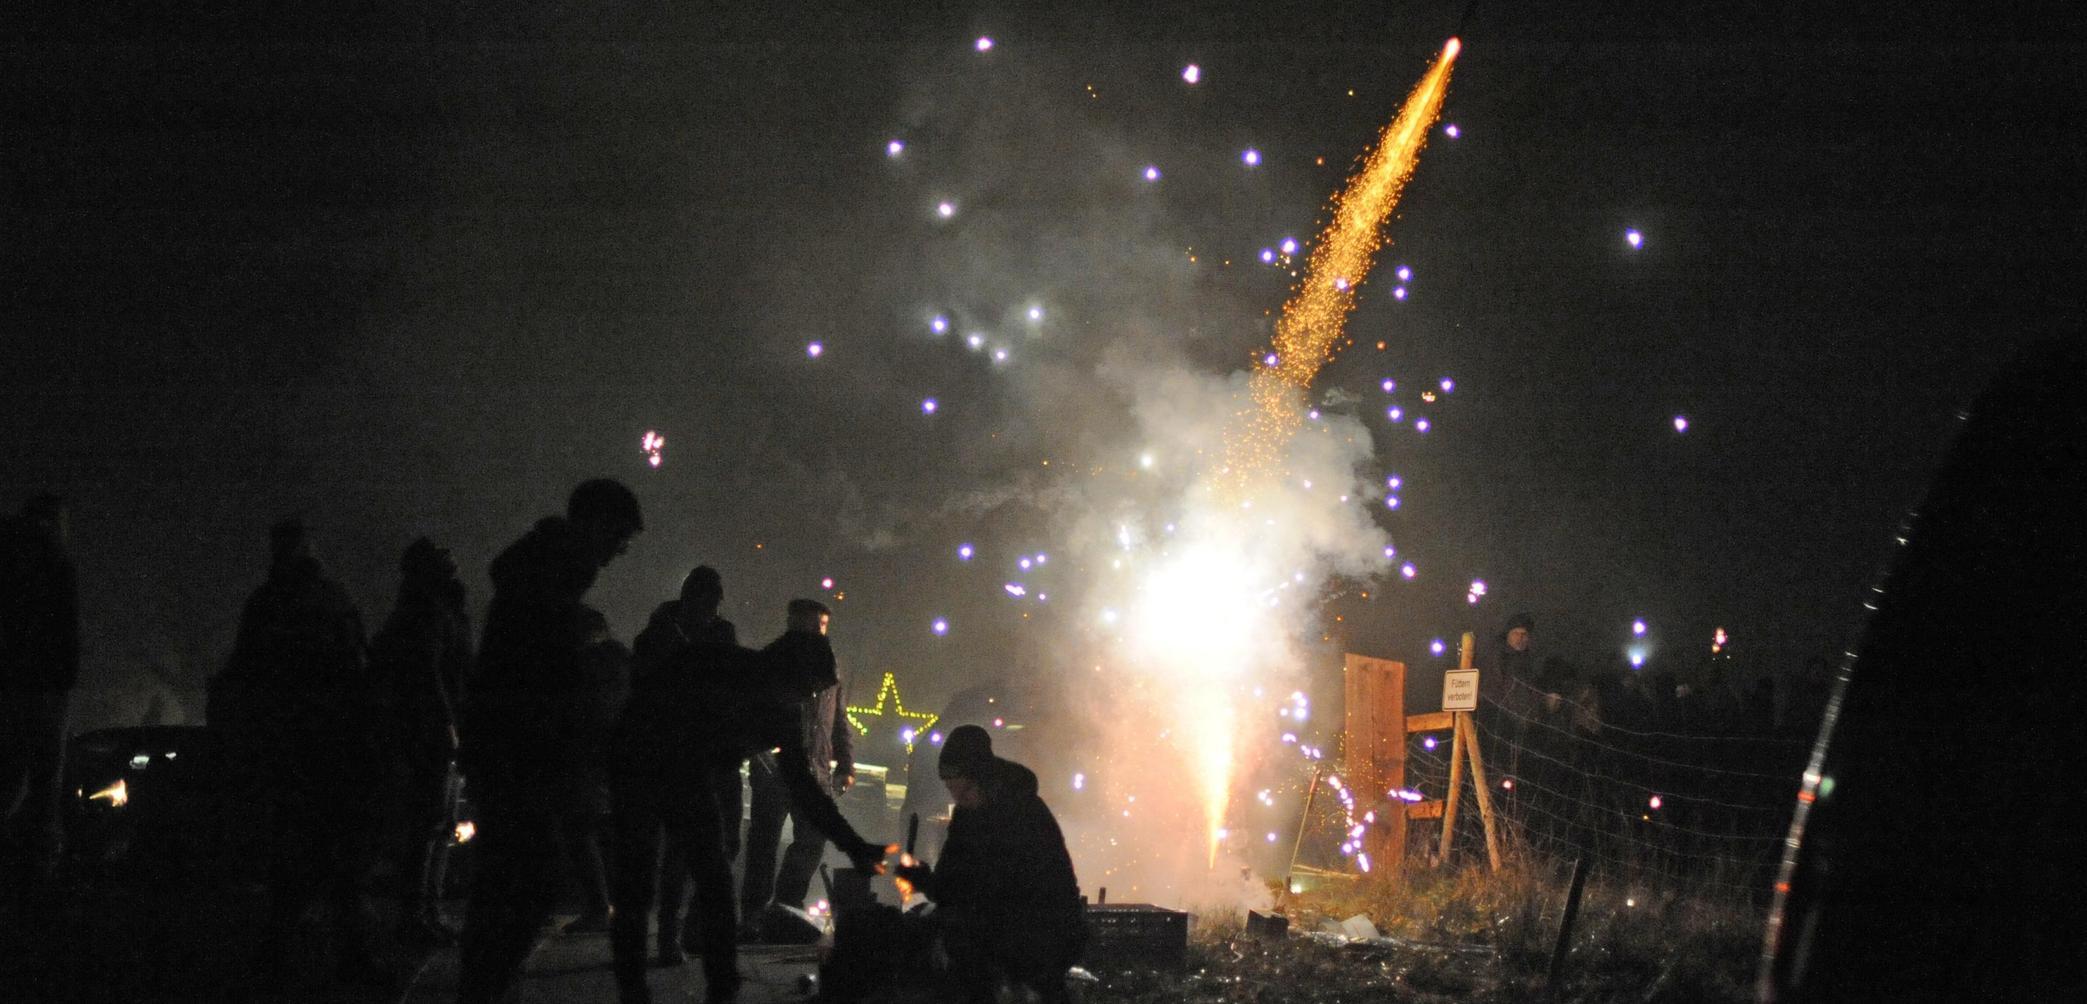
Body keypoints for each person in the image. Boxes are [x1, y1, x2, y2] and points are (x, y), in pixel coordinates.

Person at [608, 595, 886, 1004]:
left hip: (694, 773)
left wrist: (854, 845)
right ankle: (635, 983)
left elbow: (806, 789)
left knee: (714, 876)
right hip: (645, 760)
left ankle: (721, 985)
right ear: (791, 670)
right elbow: (650, 704)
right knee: (643, 876)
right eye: (807, 688)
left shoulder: (782, 709)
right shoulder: (722, 666)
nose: (807, 698)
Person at [456, 479, 643, 1004]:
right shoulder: (546, 588)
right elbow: (536, 686)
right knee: (523, 884)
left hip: (513, 757)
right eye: (619, 538)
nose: (619, 553)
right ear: (595, 525)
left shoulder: (539, 579)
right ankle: (486, 989)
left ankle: (488, 986)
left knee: (511, 885)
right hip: (521, 761)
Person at [213, 517, 382, 987]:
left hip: (290, 746)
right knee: (339, 855)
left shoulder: (266, 604)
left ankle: (280, 955)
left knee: (293, 855)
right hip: (328, 744)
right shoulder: (331, 599)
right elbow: (357, 666)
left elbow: (244, 673)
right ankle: (345, 956)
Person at [895, 725, 1084, 1004]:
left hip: (1039, 932)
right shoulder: (966, 816)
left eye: (964, 790)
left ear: (981, 778)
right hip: (1002, 931)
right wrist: (922, 877)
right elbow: (951, 886)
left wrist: (938, 890)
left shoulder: (1023, 813)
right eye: (951, 790)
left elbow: (989, 892)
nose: (958, 799)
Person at [633, 566, 747, 965]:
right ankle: (672, 935)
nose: (714, 608)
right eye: (710, 601)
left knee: (721, 844)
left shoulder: (715, 633)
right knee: (681, 851)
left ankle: (686, 931)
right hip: (679, 754)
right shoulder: (659, 636)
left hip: (710, 753)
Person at [369, 537, 473, 948]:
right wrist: (449, 724)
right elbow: (432, 675)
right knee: (430, 825)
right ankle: (419, 913)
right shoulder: (430, 613)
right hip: (430, 731)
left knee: (436, 825)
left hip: (430, 728)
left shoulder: (428, 611)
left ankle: (425, 912)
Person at [739, 605, 854, 941]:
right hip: (777, 770)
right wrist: (761, 752)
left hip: (813, 769)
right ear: (795, 623)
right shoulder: (773, 660)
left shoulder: (829, 666)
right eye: (816, 624)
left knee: (811, 839)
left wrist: (845, 764)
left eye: (824, 624)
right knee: (764, 843)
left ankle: (784, 907)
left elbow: (838, 719)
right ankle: (756, 914)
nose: (821, 630)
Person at [1, 494, 80, 905]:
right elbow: (66, 633)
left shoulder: (10, 559)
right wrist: (65, 677)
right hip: (45, 689)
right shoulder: (55, 562)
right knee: (46, 782)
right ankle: (39, 876)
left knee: (11, 776)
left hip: (12, 686)